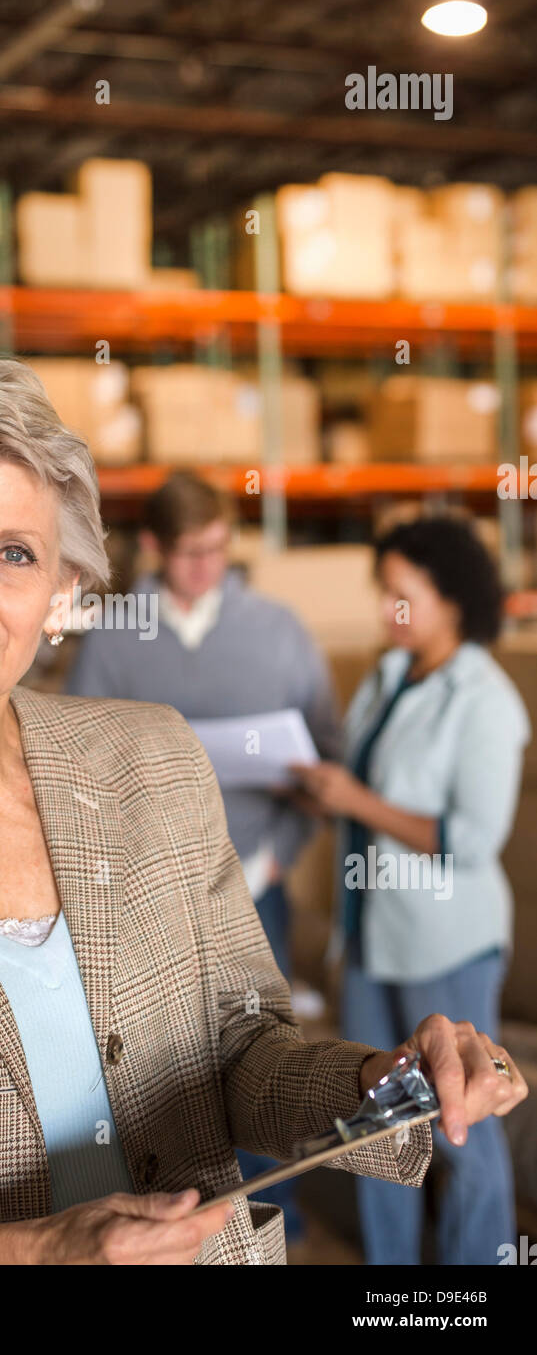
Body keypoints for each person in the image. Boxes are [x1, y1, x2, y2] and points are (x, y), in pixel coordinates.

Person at [0, 361, 526, 1265]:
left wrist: (382, 1078)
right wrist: (33, 1249)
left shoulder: (154, 763)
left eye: (14, 552)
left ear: (60, 598)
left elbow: (242, 1050)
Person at [64, 471, 340, 1242]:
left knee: (264, 1056)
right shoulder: (116, 634)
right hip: (149, 896)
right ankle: (189, 1234)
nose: (206, 567)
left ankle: (272, 1226)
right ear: (152, 548)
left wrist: (279, 858)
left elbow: (327, 759)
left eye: (219, 549)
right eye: (189, 554)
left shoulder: (278, 631)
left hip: (259, 884)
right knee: (164, 1067)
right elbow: (77, 758)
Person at [292, 514, 530, 1266]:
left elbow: (469, 839)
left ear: (451, 600)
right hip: (370, 936)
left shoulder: (485, 700)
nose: (386, 611)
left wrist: (354, 801)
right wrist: (324, 796)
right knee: (376, 1130)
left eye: (401, 596)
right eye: (383, 595)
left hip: (446, 942)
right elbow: (360, 785)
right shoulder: (388, 677)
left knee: (459, 1126)